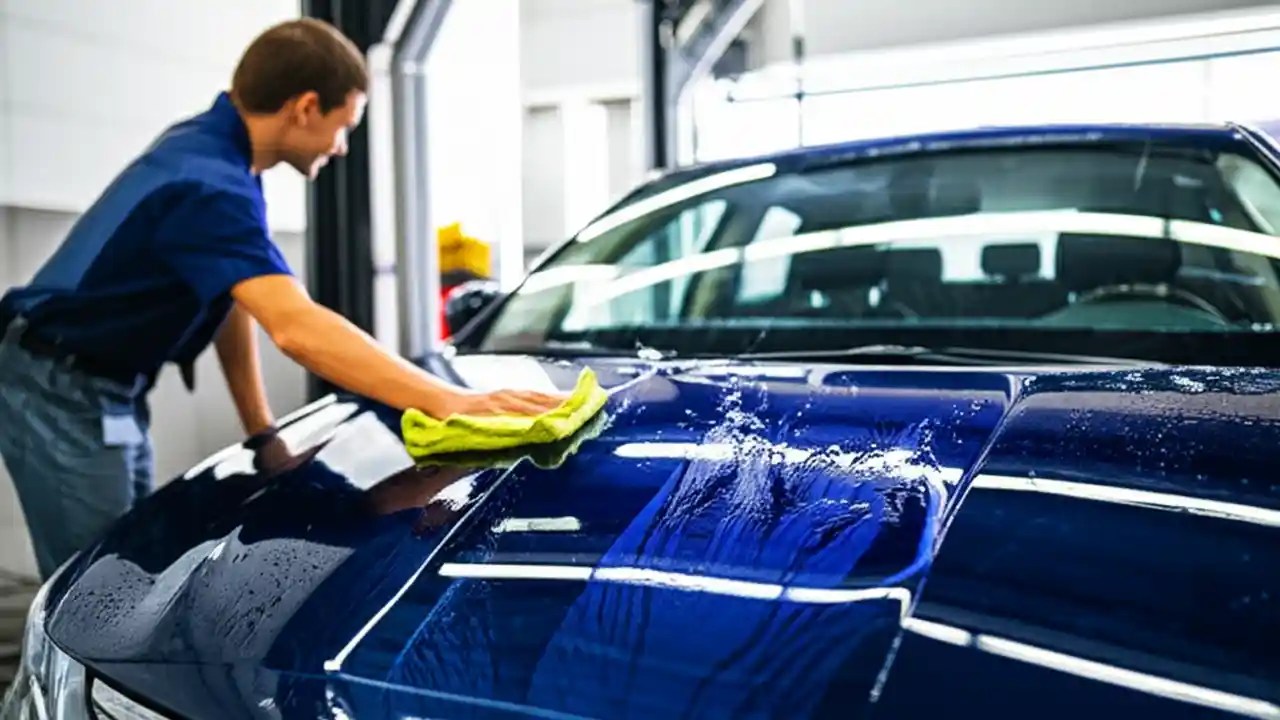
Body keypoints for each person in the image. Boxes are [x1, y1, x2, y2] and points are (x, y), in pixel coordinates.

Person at [0, 18, 564, 580]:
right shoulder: (210, 185)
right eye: (345, 126)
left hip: (104, 385)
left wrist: (261, 429)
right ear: (305, 108)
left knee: (123, 558)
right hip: (60, 385)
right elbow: (294, 326)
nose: (343, 147)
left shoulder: (221, 156)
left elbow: (233, 301)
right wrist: (450, 401)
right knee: (94, 584)